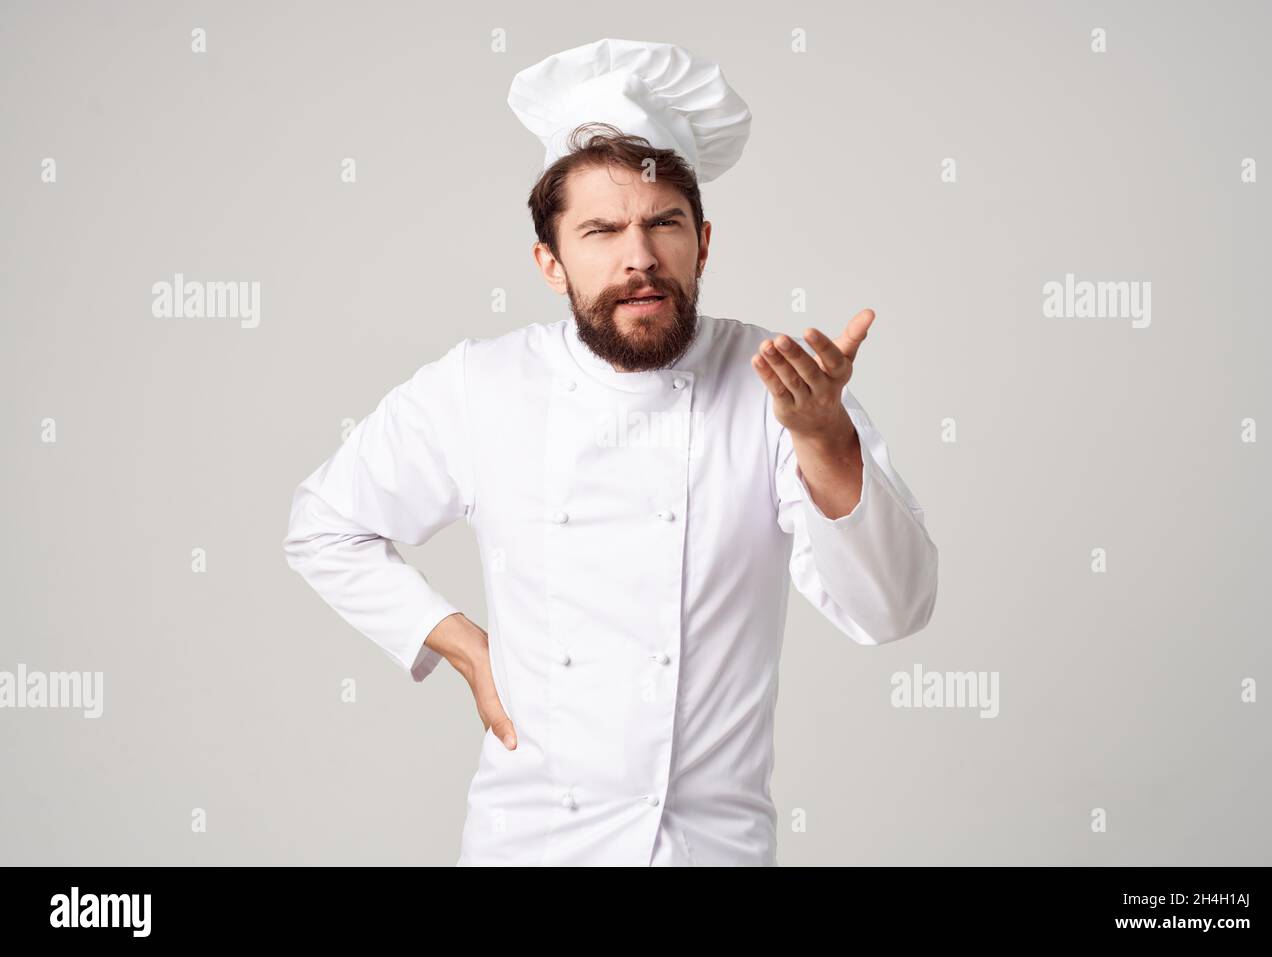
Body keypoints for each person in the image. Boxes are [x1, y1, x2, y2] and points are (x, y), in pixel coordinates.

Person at [283, 38, 938, 866]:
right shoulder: (480, 386)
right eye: (602, 230)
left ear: (703, 244)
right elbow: (322, 524)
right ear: (550, 263)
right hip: (528, 846)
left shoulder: (784, 386)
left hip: (715, 851)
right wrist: (458, 642)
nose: (639, 257)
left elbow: (896, 611)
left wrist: (826, 443)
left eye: (663, 224)